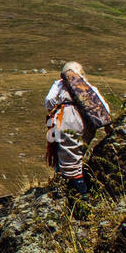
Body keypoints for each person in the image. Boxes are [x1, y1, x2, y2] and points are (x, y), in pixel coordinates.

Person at [44, 61, 110, 198]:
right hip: (88, 124)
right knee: (76, 156)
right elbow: (103, 107)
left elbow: (49, 100)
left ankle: (81, 196)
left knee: (66, 158)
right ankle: (74, 190)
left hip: (68, 120)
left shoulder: (60, 84)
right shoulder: (88, 87)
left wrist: (55, 111)